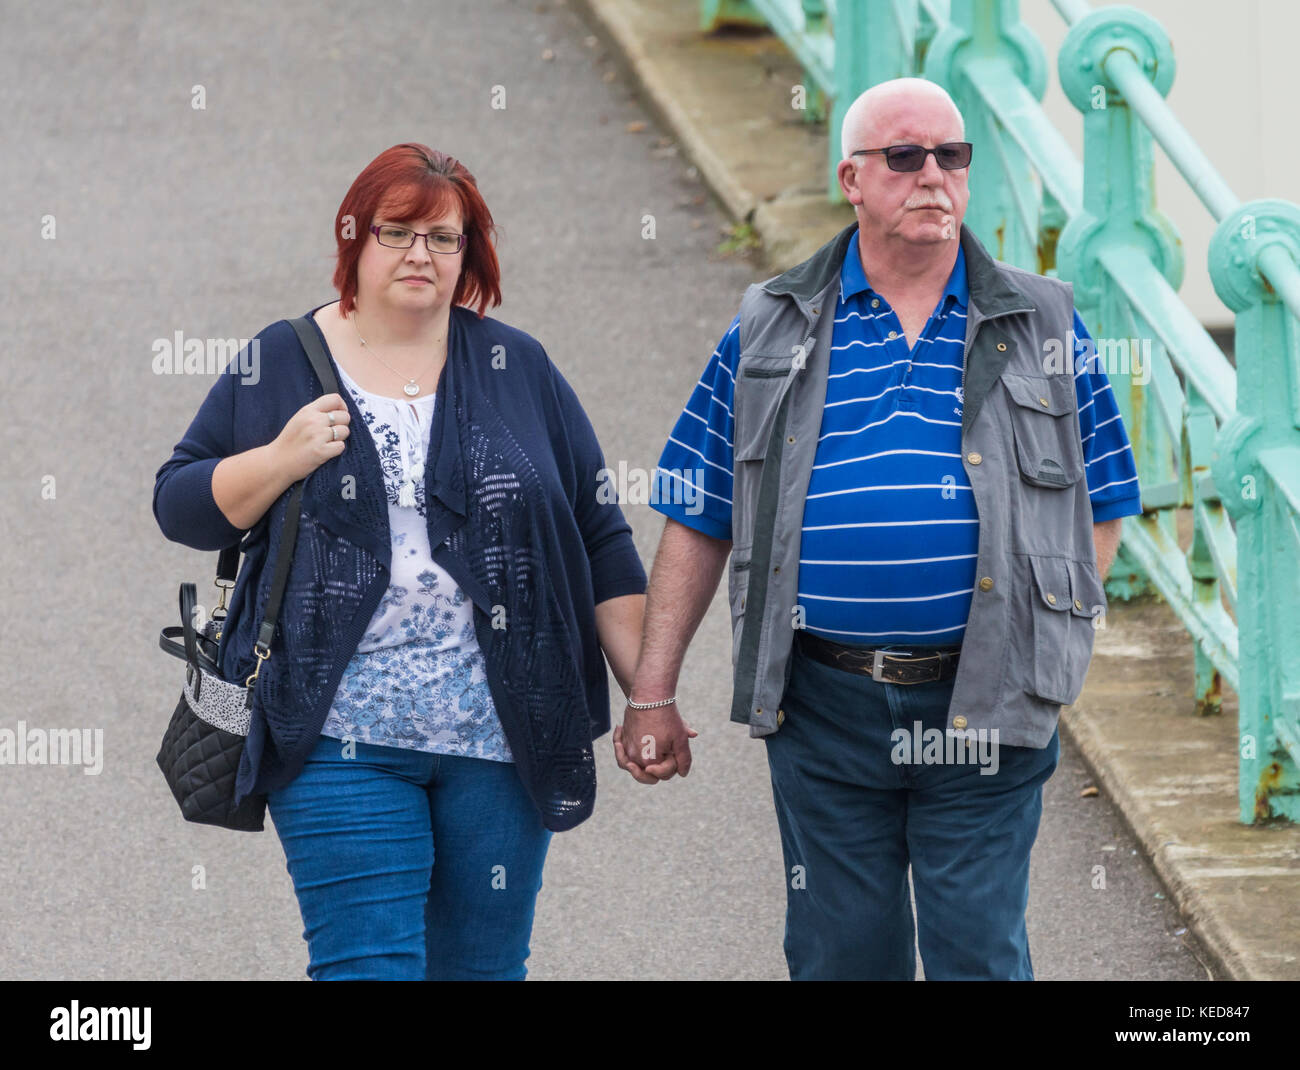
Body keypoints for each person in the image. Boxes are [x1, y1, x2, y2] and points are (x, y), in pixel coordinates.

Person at [615, 78, 1143, 980]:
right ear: (851, 180)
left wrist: (1050, 646)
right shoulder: (770, 324)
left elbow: (1104, 500)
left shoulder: (1044, 319)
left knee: (978, 953)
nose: (933, 175)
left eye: (952, 155)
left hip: (988, 698)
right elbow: (700, 509)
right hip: (824, 704)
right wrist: (652, 692)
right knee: (842, 956)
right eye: (905, 156)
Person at [153, 143, 647, 980]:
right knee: (367, 966)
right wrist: (279, 458)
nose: (421, 253)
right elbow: (180, 504)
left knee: (482, 969)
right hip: (338, 731)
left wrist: (650, 693)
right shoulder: (283, 359)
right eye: (397, 232)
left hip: (502, 733)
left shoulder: (516, 365)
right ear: (355, 239)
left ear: (468, 253)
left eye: (443, 238)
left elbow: (599, 533)